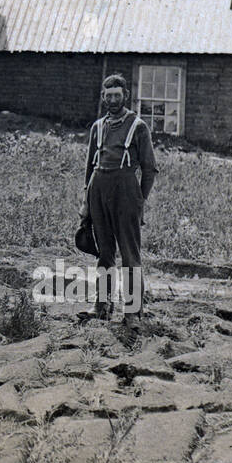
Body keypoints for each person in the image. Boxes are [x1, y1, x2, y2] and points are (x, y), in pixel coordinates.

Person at [82, 74, 157, 327]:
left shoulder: (138, 127)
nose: (113, 100)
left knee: (129, 254)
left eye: (117, 95)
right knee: (104, 253)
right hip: (98, 188)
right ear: (103, 97)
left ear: (125, 95)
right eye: (108, 95)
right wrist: (86, 202)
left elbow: (149, 169)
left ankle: (133, 312)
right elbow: (89, 167)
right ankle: (101, 306)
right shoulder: (98, 127)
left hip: (126, 190)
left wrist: (139, 200)